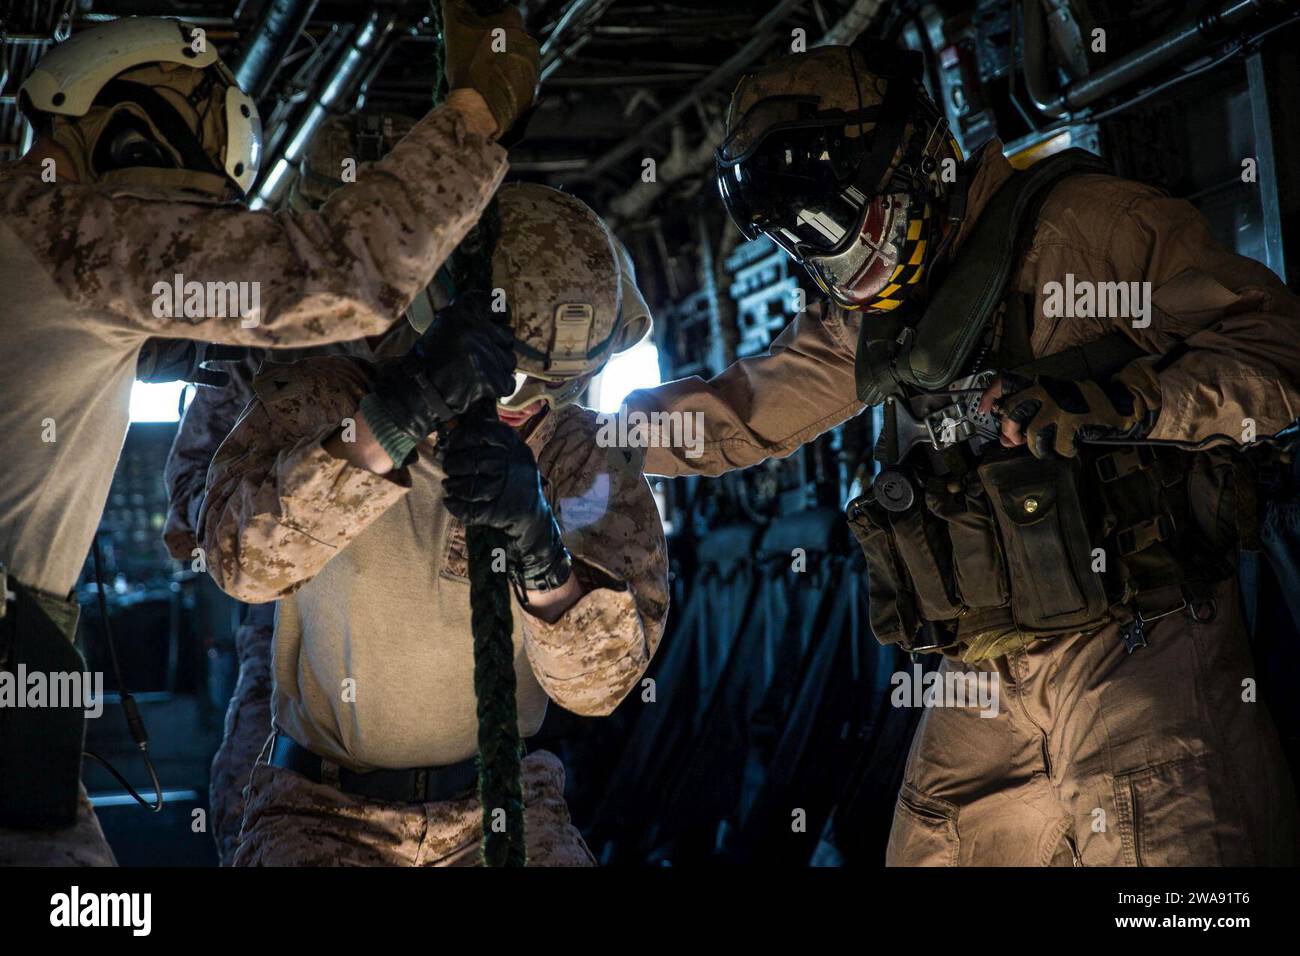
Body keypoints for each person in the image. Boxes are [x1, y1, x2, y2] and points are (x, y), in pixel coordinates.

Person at [627, 44, 1300, 865]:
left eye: (831, 219)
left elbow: (1277, 353)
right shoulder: (883, 317)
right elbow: (737, 413)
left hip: (1141, 648)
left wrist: (1135, 404)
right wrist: (581, 444)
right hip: (985, 669)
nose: (828, 253)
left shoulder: (1091, 231)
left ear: (902, 164)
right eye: (802, 238)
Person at [0, 5, 538, 866]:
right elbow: (337, 274)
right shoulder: (62, 226)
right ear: (135, 133)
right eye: (189, 219)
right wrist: (477, 115)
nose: (185, 245)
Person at [200, 184, 669, 866]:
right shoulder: (328, 403)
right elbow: (240, 563)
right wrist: (394, 421)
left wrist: (541, 555)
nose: (534, 407)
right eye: (517, 383)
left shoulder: (584, 461)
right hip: (323, 813)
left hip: (504, 808)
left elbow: (601, 688)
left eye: (562, 384)